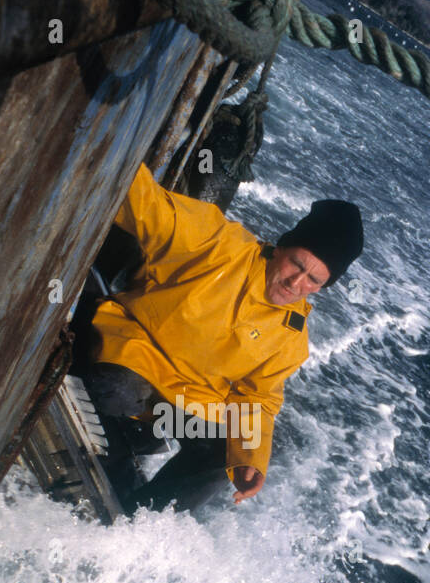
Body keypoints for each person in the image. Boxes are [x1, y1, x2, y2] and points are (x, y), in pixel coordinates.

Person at [85, 163, 364, 513]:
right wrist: (110, 144)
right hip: (132, 354)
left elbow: (257, 399)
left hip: (168, 407)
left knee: (221, 456)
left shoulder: (291, 338)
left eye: (313, 280)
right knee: (119, 391)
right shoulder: (219, 243)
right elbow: (150, 208)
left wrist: (251, 458)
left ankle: (134, 519)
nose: (297, 283)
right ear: (280, 248)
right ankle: (108, 450)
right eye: (296, 263)